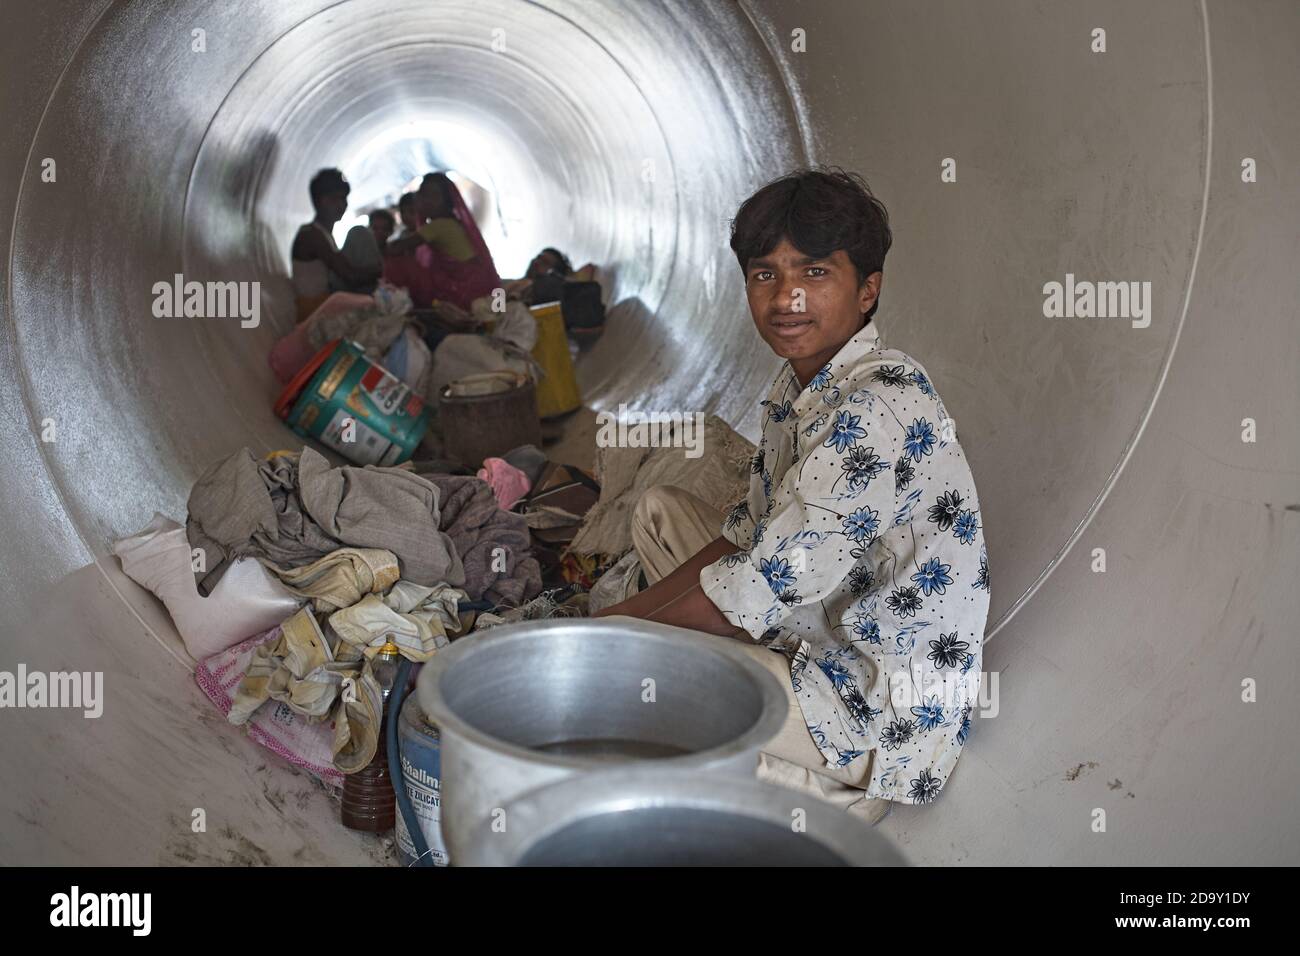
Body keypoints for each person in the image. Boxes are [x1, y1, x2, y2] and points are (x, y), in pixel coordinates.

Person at [595, 167, 990, 820]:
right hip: (810, 629)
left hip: (873, 707)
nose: (786, 299)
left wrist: (600, 649)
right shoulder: (796, 389)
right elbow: (746, 539)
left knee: (650, 697)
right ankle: (746, 719)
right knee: (660, 511)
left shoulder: (874, 410)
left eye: (814, 273)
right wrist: (613, 629)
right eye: (764, 274)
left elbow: (748, 593)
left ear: (868, 291)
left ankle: (835, 790)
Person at [382, 172, 501, 310]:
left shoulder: (438, 226)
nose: (427, 201)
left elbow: (396, 248)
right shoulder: (453, 222)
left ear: (447, 201)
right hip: (481, 286)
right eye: (424, 195)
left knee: (403, 264)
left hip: (465, 289)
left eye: (434, 196)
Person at [290, 169, 382, 320]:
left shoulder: (324, 233)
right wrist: (381, 271)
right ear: (320, 201)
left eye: (344, 199)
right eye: (335, 199)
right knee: (359, 232)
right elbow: (350, 276)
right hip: (314, 310)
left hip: (324, 302)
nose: (342, 205)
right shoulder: (311, 235)